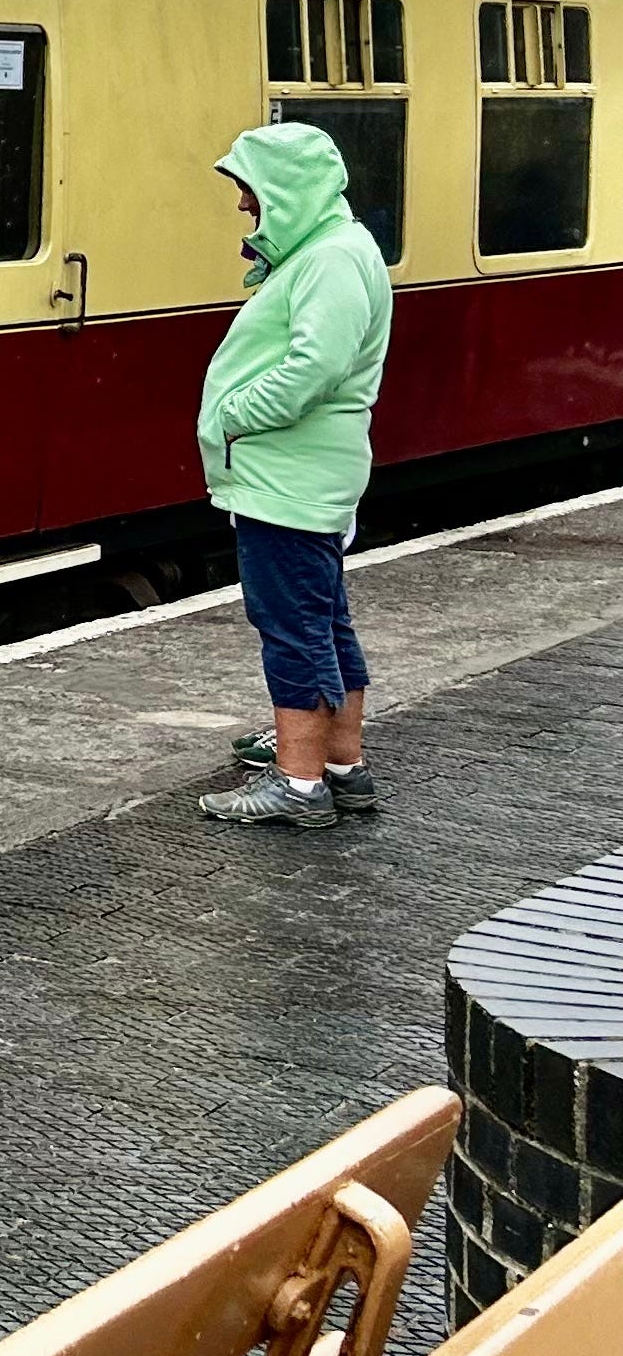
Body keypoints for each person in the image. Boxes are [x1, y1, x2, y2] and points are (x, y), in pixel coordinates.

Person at [197, 118, 395, 831]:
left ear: (288, 189)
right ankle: (343, 767)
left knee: (291, 629)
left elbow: (315, 366)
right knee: (325, 622)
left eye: (251, 189)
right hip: (300, 472)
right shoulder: (330, 251)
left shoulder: (332, 260)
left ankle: (299, 785)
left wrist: (233, 415)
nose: (245, 205)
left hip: (290, 476)